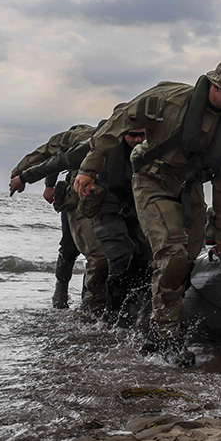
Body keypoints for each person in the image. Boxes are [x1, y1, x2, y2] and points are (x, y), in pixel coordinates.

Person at [75, 60, 221, 366]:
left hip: (189, 190)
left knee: (187, 259)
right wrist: (89, 168)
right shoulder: (168, 100)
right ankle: (166, 335)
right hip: (152, 180)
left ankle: (151, 321)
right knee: (172, 253)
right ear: (216, 87)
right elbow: (117, 123)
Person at [10, 123, 106, 311]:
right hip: (77, 198)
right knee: (70, 247)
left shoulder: (127, 139)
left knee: (99, 253)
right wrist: (48, 184)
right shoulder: (81, 138)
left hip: (106, 198)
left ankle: (90, 299)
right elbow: (57, 158)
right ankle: (61, 292)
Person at [66, 127, 153, 325]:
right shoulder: (103, 145)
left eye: (142, 135)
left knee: (142, 256)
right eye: (133, 135)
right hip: (99, 208)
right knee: (103, 258)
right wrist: (28, 177)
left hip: (131, 210)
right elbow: (60, 160)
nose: (138, 139)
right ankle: (99, 310)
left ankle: (131, 310)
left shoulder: (149, 148)